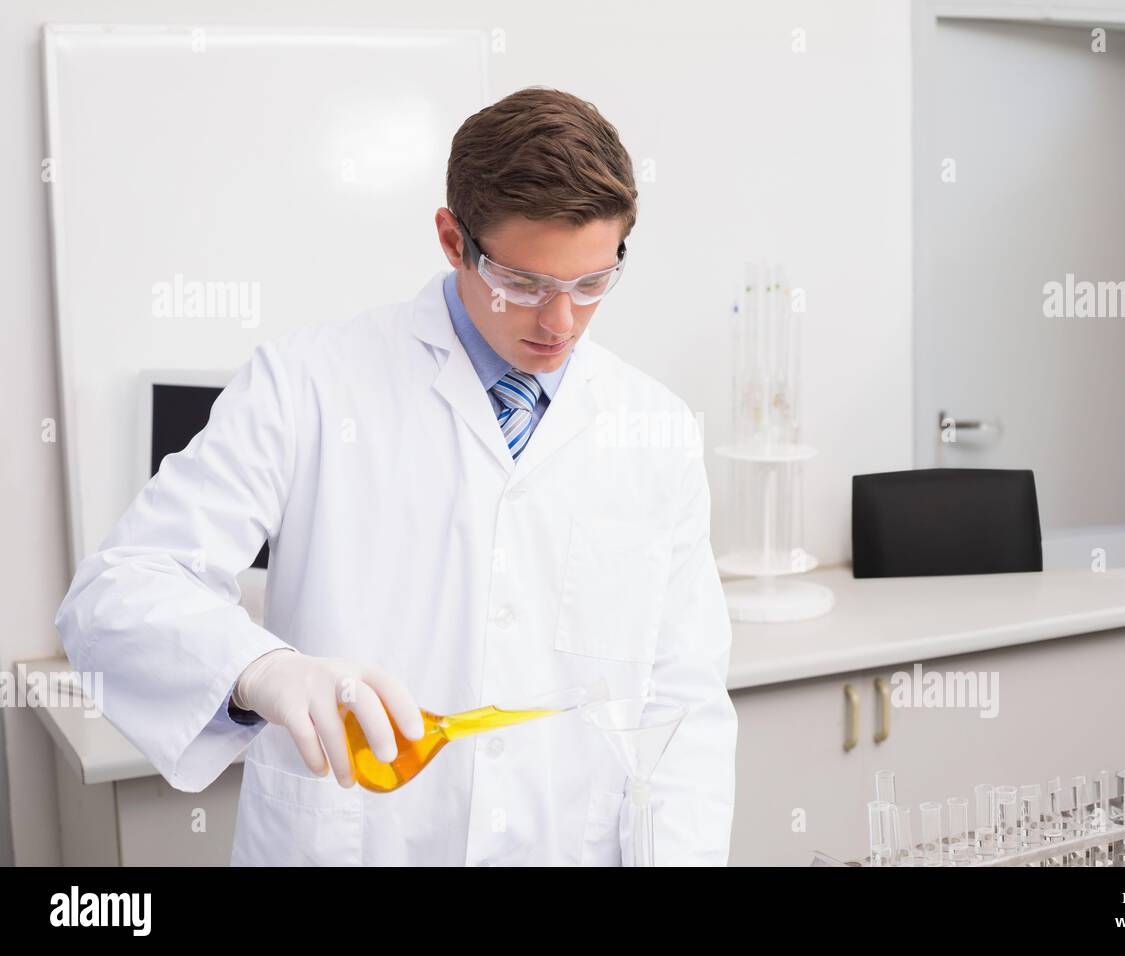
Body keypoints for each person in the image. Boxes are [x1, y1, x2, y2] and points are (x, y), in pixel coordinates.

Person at [55, 87, 737, 866]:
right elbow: (118, 592)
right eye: (524, 284)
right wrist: (260, 670)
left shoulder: (655, 428)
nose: (560, 323)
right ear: (452, 239)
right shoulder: (307, 384)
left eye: (590, 284)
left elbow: (684, 704)